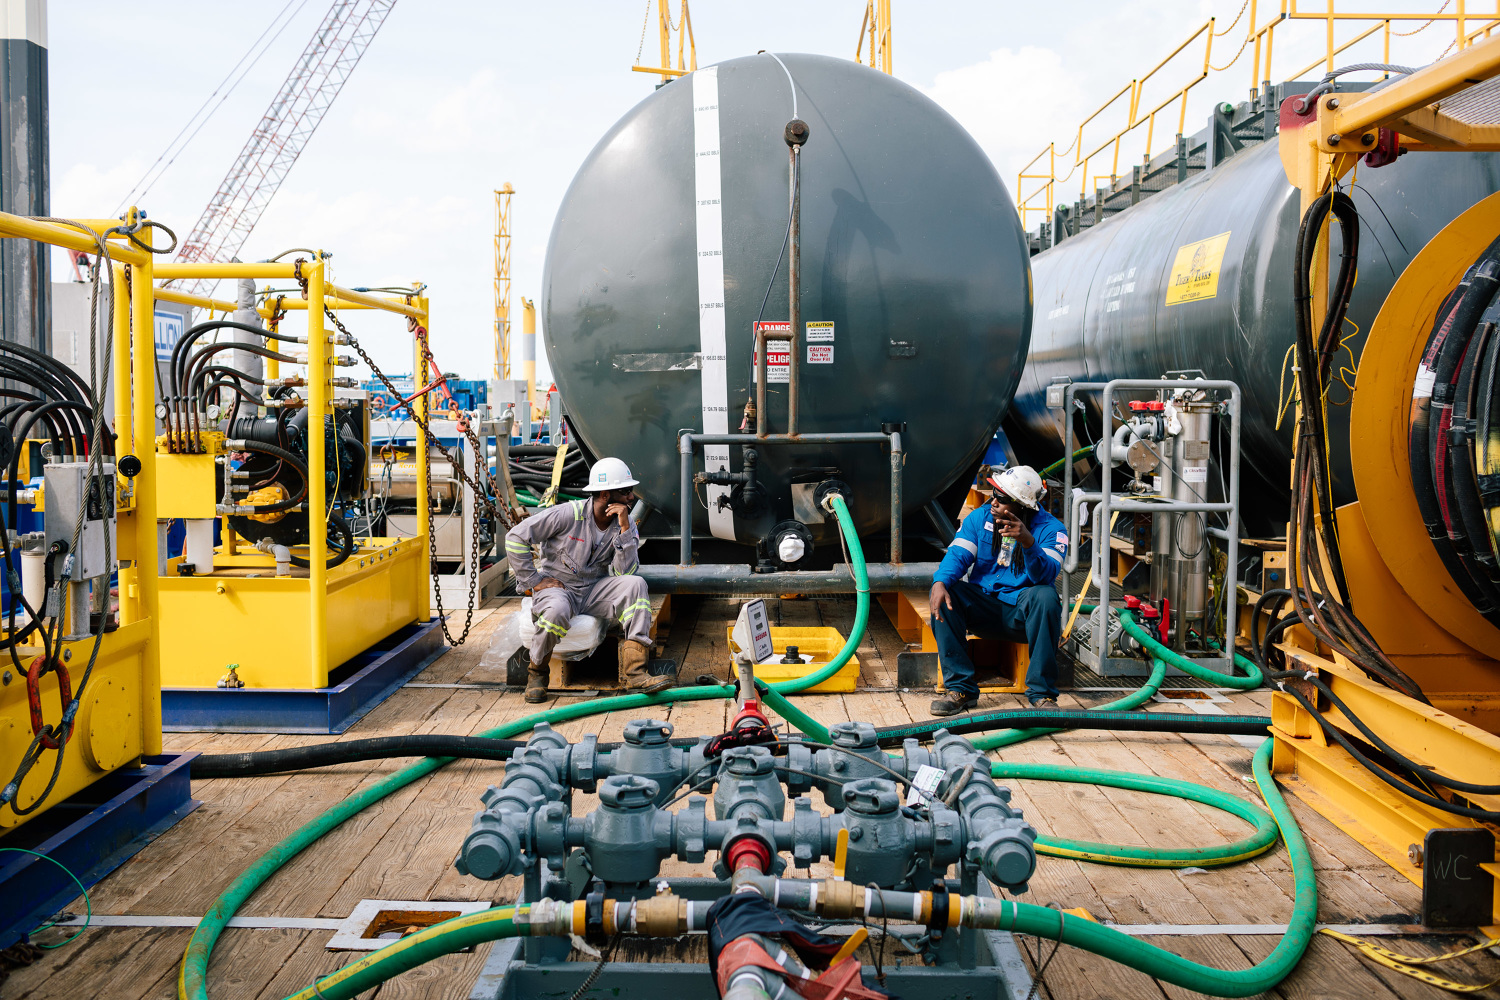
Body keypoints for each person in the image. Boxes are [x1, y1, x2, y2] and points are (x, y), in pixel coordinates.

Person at [505, 456, 674, 704]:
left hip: (593, 588)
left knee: (636, 585)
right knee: (557, 611)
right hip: (558, 588)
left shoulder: (625, 524)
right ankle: (537, 672)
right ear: (605, 495)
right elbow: (515, 537)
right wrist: (533, 580)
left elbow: (623, 574)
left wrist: (625, 531)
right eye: (626, 491)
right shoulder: (567, 514)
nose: (631, 497)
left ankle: (635, 672)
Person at [927, 465, 1066, 717]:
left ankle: (1042, 693)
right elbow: (958, 555)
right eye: (994, 493)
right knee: (947, 591)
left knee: (1045, 596)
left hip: (1022, 615)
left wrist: (1028, 542)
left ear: (1022, 506)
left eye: (1001, 498)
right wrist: (940, 581)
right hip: (983, 607)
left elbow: (1045, 576)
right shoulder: (979, 518)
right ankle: (961, 689)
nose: (993, 502)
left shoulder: (1052, 530)